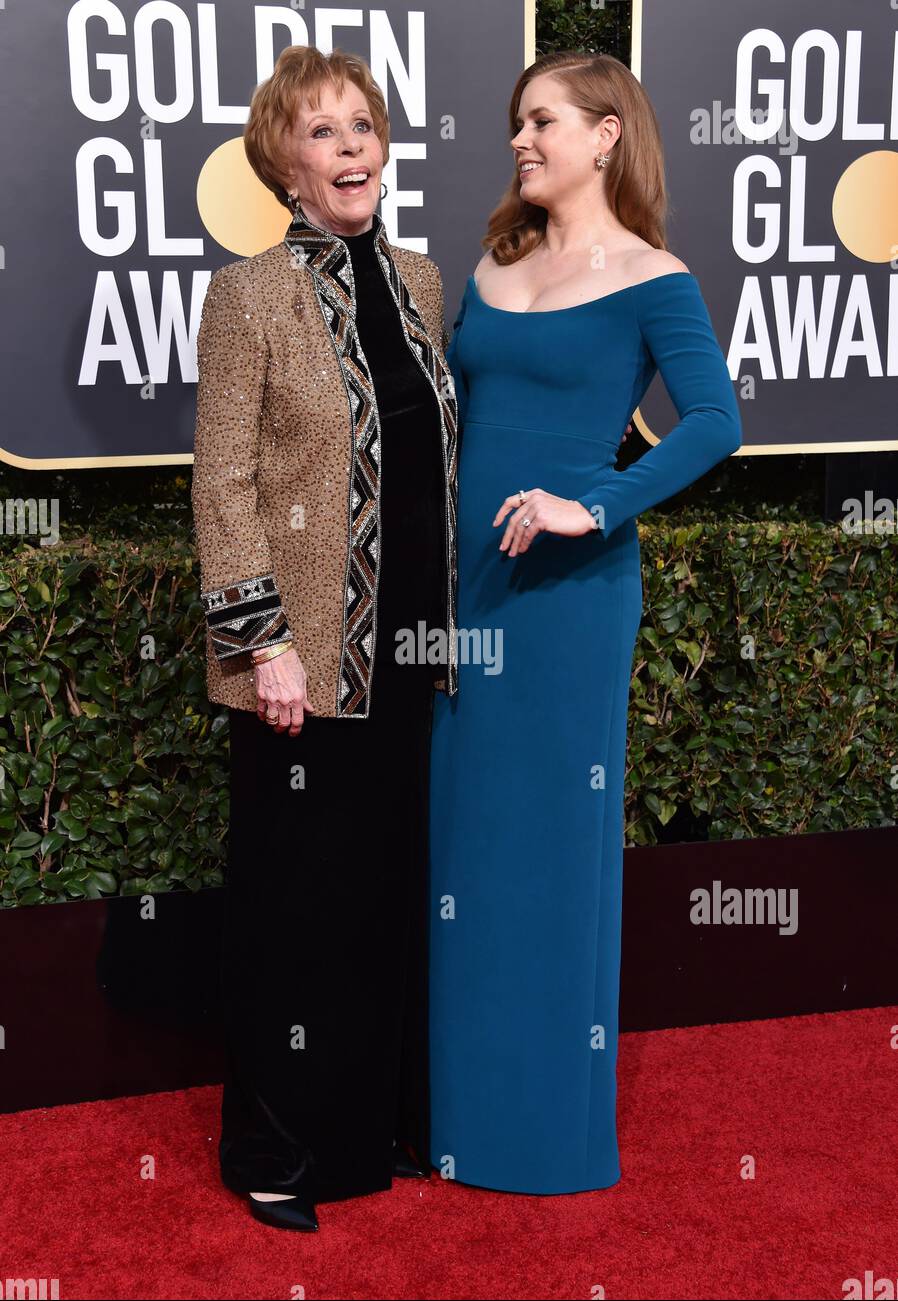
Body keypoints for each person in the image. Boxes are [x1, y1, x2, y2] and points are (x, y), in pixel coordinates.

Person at [428, 51, 742, 1194]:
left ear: (606, 136)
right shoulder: (492, 261)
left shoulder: (655, 276)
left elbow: (714, 422)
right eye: (517, 120)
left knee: (549, 862)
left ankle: (548, 1138)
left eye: (544, 119)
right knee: (463, 850)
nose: (521, 138)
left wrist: (593, 501)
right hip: (466, 593)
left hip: (568, 604)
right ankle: (453, 1120)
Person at [191, 44, 459, 1230]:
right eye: (324, 132)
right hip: (301, 656)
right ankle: (278, 1151)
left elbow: (434, 464)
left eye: (363, 126)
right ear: (284, 165)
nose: (352, 148)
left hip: (405, 648)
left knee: (384, 887)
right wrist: (265, 644)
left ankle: (368, 1130)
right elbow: (221, 485)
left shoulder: (421, 280)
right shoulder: (247, 292)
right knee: (297, 899)